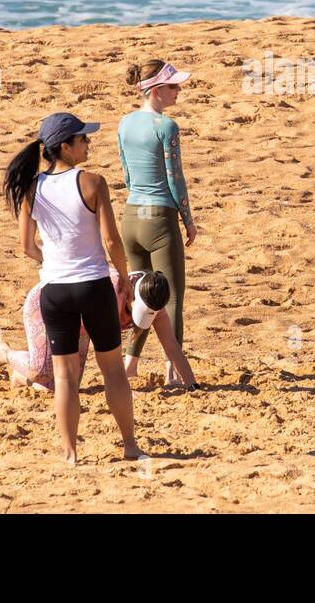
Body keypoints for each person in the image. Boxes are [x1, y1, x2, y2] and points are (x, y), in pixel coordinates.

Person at [2, 111, 141, 464]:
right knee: (112, 371)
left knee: (65, 376)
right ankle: (129, 446)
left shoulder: (31, 189)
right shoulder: (93, 183)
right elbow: (112, 241)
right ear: (65, 146)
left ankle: (70, 453)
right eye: (83, 138)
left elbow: (26, 246)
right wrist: (123, 277)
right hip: (93, 285)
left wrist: (51, 265)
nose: (89, 142)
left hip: (55, 290)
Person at [0, 268, 199, 392]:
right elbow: (109, 356)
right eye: (130, 310)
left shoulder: (155, 303)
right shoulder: (111, 292)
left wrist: (192, 385)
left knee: (63, 388)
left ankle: (20, 375)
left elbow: (171, 346)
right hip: (48, 308)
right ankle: (4, 353)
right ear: (130, 293)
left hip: (81, 326)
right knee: (44, 373)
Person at [118, 59, 196, 385]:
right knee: (171, 295)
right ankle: (173, 370)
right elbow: (175, 180)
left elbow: (125, 174)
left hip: (131, 217)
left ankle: (130, 365)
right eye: (173, 86)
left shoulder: (124, 124)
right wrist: (188, 220)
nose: (178, 91)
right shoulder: (166, 127)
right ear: (155, 90)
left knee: (141, 295)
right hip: (159, 220)